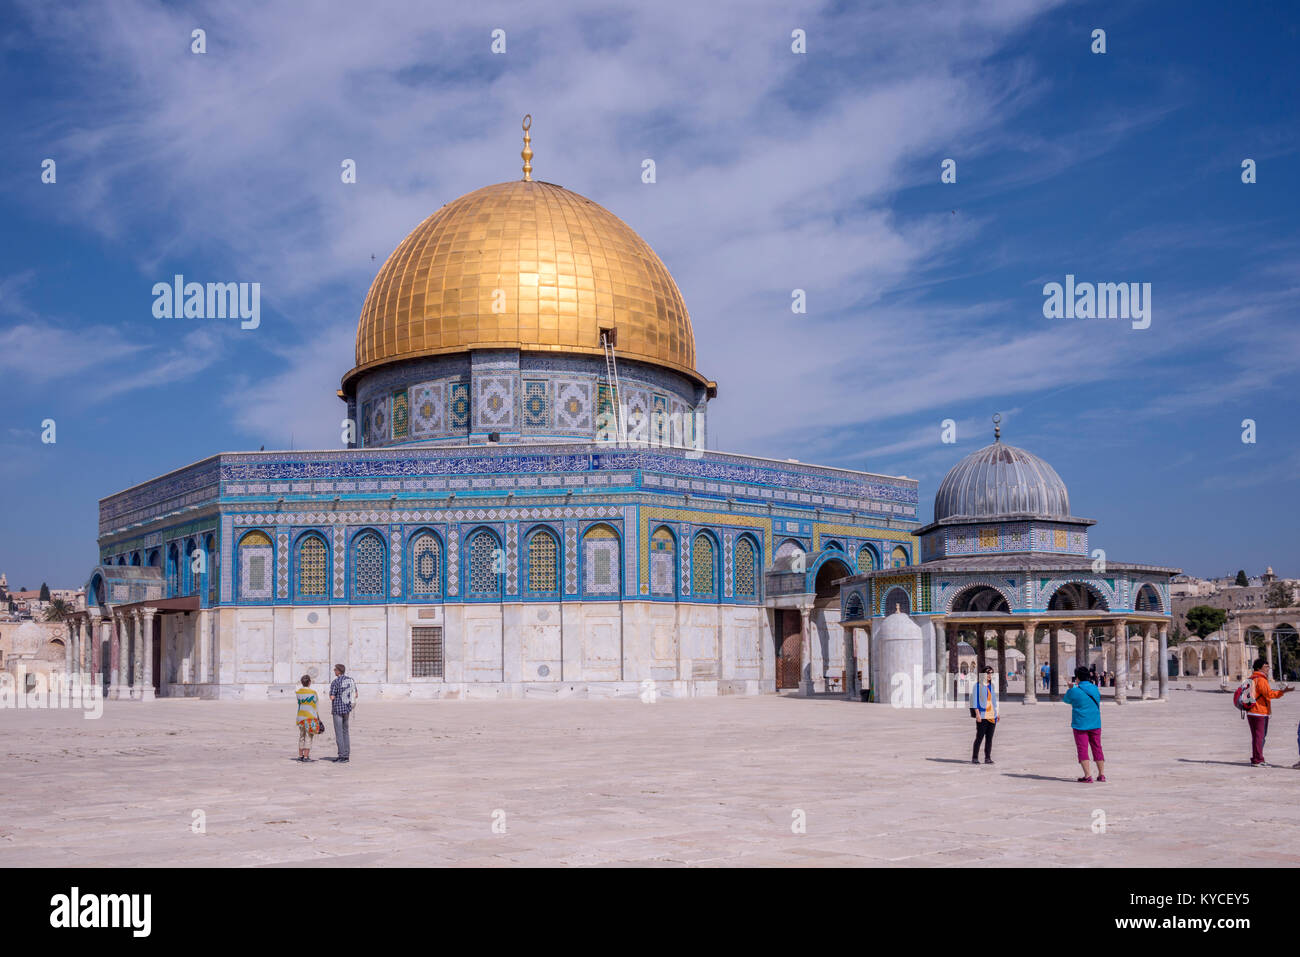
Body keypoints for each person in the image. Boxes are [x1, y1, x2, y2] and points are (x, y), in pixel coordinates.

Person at [1245, 657, 1292, 767]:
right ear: (1259, 668)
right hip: (1260, 711)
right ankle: (1258, 760)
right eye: (1266, 667)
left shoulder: (1251, 678)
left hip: (1251, 711)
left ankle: (1255, 758)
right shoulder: (1261, 679)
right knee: (1260, 737)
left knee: (1256, 737)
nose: (1268, 669)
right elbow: (1269, 694)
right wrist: (1283, 692)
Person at [1063, 665, 1104, 783]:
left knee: (1083, 749)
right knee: (1097, 747)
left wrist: (1071, 688)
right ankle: (1101, 774)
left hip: (1080, 724)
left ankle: (1087, 775)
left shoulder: (1075, 690)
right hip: (1095, 723)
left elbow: (1066, 700)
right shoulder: (1095, 688)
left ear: (1077, 678)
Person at [328, 664, 358, 763]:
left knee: (339, 733)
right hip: (347, 709)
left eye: (335, 669)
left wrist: (335, 696)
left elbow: (332, 697)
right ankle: (346, 755)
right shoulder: (351, 680)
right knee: (345, 732)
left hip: (337, 709)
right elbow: (356, 694)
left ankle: (341, 756)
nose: (334, 671)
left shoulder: (335, 682)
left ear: (338, 671)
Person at [969, 666, 998, 765]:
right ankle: (975, 757)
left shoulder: (991, 686)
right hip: (982, 715)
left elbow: (993, 701)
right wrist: (977, 714)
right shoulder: (977, 686)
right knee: (979, 737)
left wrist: (996, 713)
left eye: (991, 673)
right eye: (988, 673)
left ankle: (987, 757)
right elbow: (975, 702)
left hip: (991, 716)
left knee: (989, 738)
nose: (990, 675)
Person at [295, 674, 323, 762]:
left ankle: (300, 756)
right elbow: (316, 706)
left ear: (302, 682)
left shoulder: (298, 692)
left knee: (301, 737)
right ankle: (306, 757)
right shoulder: (313, 693)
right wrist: (318, 718)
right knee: (308, 737)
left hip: (300, 717)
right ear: (309, 682)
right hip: (310, 717)